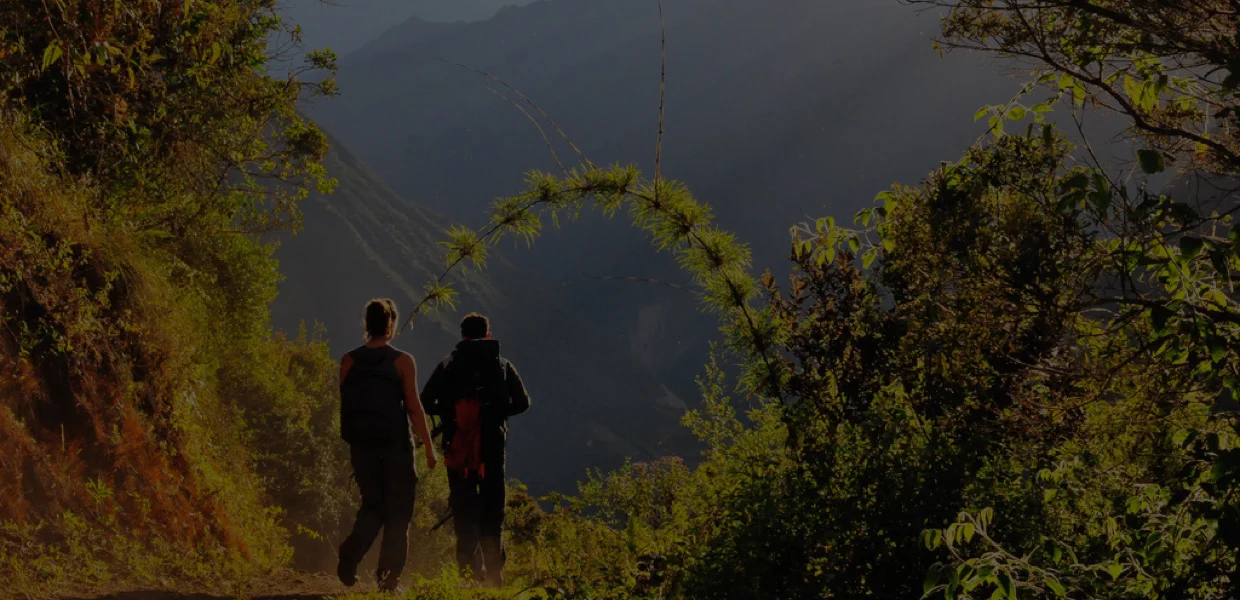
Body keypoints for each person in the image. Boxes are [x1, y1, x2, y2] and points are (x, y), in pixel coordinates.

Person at [421, 312, 531, 587]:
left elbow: (425, 400)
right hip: (493, 447)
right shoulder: (502, 365)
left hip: (457, 448)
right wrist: (494, 415)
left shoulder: (449, 364)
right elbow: (522, 403)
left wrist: (450, 413)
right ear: (488, 335)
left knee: (463, 507)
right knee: (493, 510)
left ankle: (468, 577)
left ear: (463, 336)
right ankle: (495, 578)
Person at [337, 298, 439, 592]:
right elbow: (414, 407)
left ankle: (350, 554)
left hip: (362, 446)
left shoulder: (348, 360)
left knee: (373, 506)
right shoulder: (402, 360)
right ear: (391, 323)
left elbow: (346, 401)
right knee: (399, 512)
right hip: (396, 447)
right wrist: (430, 449)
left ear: (366, 324)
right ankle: (388, 580)